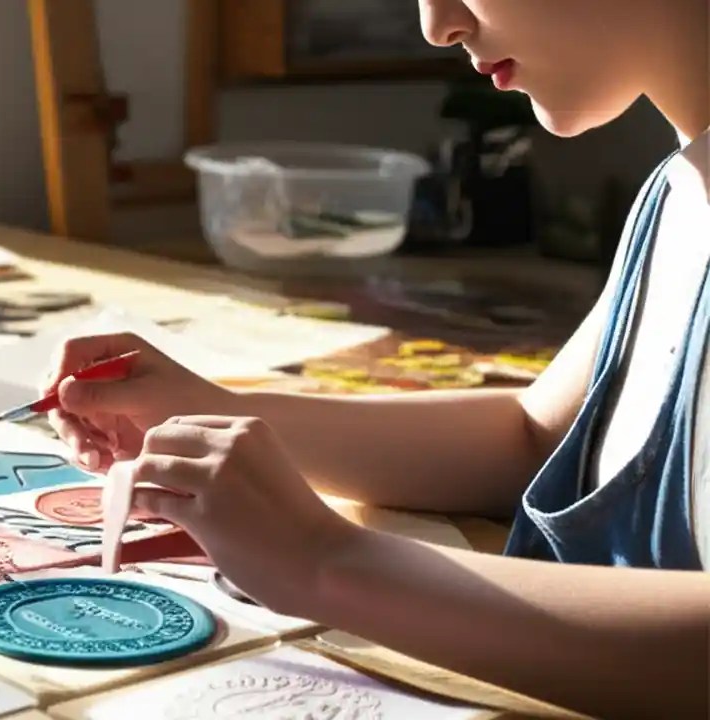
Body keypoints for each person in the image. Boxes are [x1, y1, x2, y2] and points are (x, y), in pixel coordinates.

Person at [40, 1, 710, 717]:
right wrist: (211, 411)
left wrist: (326, 562)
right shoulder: (679, 190)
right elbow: (535, 436)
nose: (437, 26)